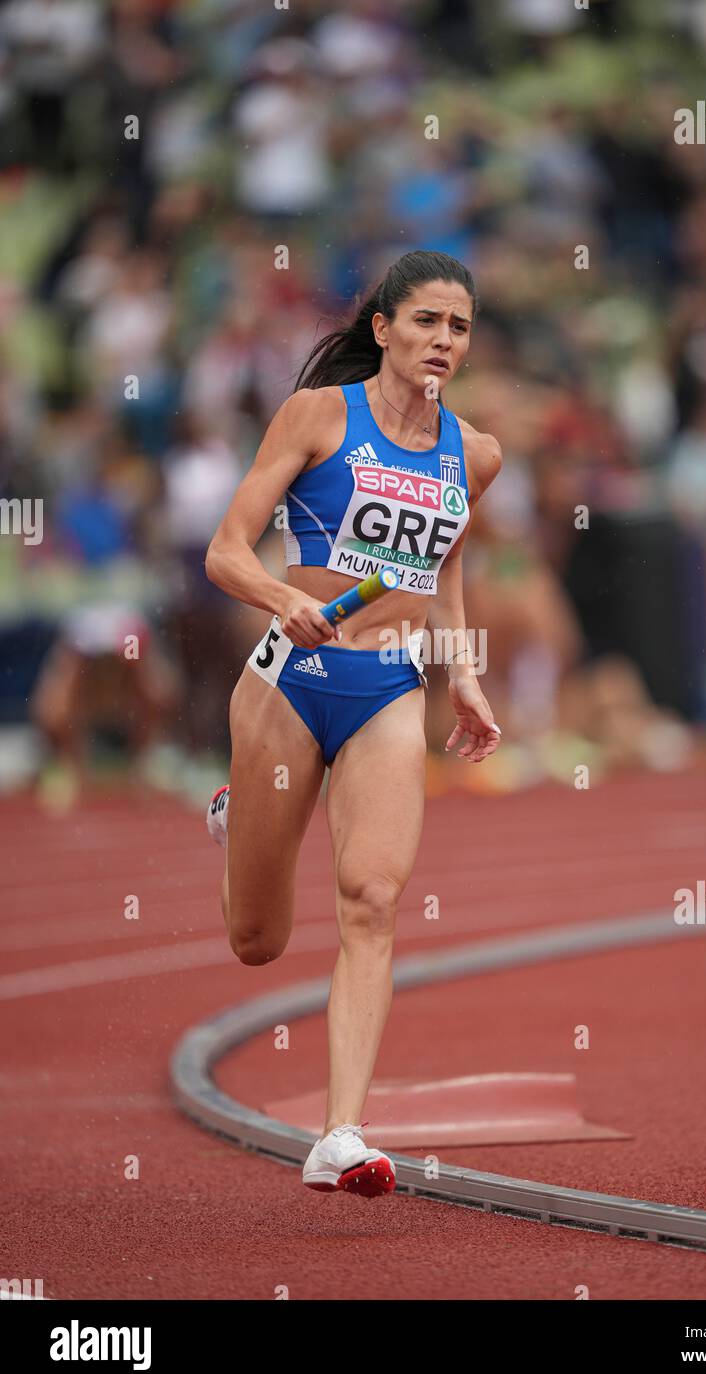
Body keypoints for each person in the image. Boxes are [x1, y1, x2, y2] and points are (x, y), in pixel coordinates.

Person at [203, 249, 502, 1197]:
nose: (441, 341)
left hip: (384, 689)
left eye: (457, 326)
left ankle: (339, 1134)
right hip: (290, 678)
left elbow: (443, 569)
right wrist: (277, 595)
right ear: (383, 328)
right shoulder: (319, 417)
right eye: (425, 322)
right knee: (258, 941)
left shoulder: (477, 453)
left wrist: (466, 677)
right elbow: (223, 551)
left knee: (373, 900)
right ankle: (237, 811)